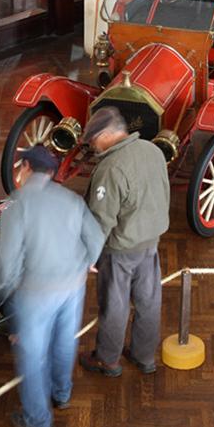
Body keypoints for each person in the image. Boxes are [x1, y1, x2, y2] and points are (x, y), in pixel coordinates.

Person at [0, 145, 104, 427]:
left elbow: (7, 262)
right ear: (51, 172)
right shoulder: (71, 199)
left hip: (36, 291)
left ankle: (38, 422)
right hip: (73, 286)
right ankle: (62, 394)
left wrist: (8, 299)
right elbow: (95, 237)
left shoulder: (16, 205)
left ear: (25, 167)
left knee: (32, 357)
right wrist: (86, 263)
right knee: (65, 342)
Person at [78, 106, 170, 378]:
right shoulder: (152, 150)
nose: (92, 145)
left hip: (120, 249)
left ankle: (108, 360)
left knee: (114, 304)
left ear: (108, 134)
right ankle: (144, 356)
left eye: (94, 138)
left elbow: (101, 220)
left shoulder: (111, 168)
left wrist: (89, 257)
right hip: (151, 240)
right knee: (149, 299)